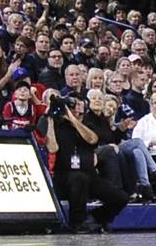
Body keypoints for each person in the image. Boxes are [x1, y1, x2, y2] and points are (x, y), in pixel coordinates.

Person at [42, 90, 127, 231]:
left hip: (90, 174)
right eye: (72, 105)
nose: (75, 108)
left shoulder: (88, 123)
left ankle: (96, 217)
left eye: (77, 104)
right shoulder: (58, 125)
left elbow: (92, 139)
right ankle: (77, 222)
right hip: (65, 174)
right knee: (78, 178)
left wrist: (71, 118)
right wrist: (50, 120)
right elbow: (52, 148)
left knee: (121, 197)